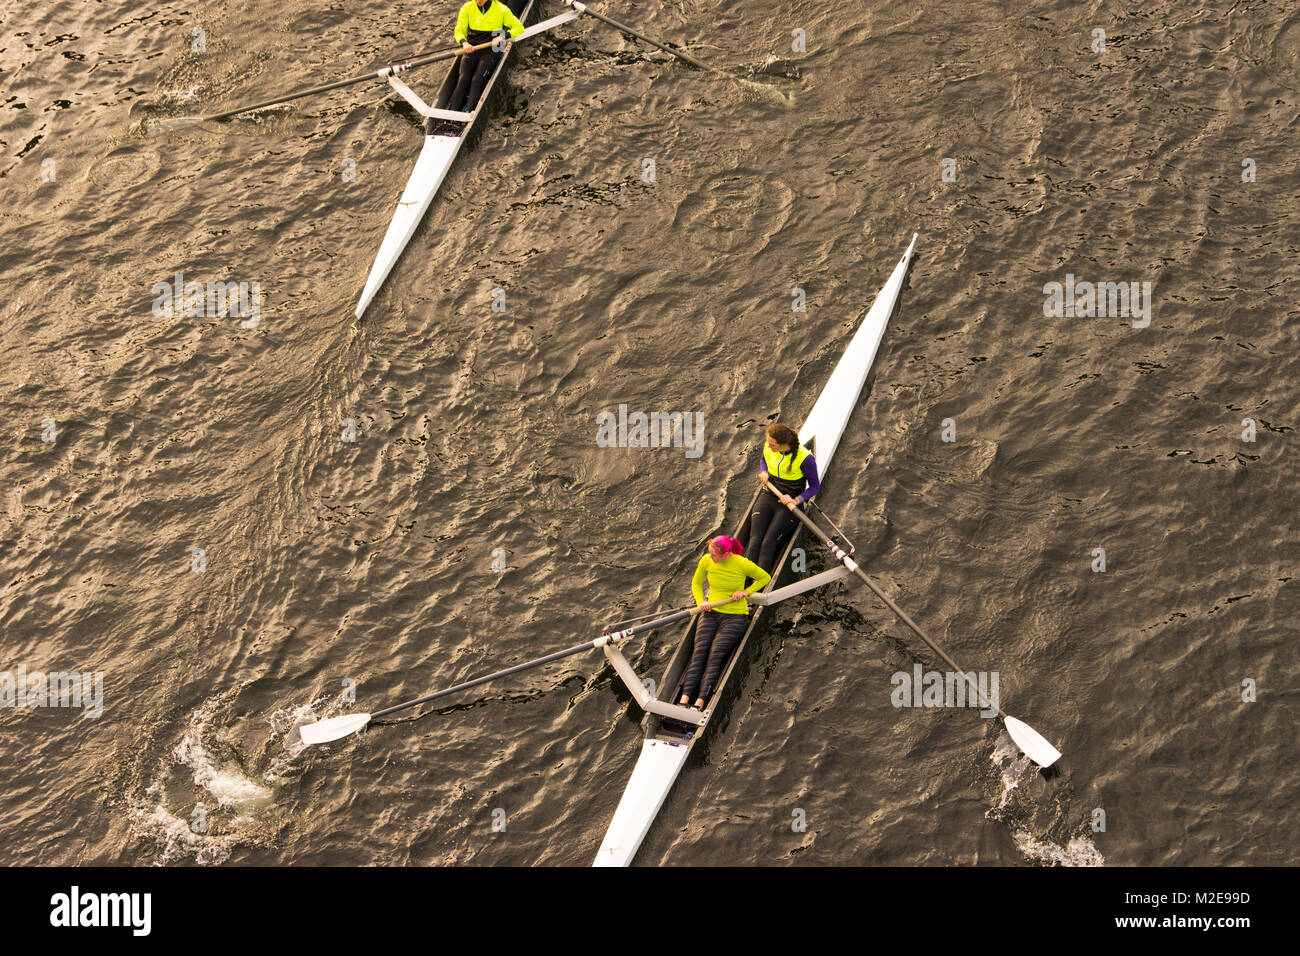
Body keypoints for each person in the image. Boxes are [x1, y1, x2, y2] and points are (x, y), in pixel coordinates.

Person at [678, 536, 771, 709]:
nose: (710, 557)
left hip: (735, 616)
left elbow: (765, 578)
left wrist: (745, 592)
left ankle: (700, 703)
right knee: (699, 652)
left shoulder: (741, 563)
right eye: (710, 553)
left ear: (725, 553)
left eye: (714, 554)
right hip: (711, 612)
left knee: (715, 655)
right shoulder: (706, 560)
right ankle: (683, 699)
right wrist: (701, 603)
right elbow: (697, 584)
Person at [749, 423, 820, 572]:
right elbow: (763, 460)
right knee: (754, 542)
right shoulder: (769, 447)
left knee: (768, 543)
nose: (768, 447)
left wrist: (796, 500)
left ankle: (758, 587)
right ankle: (742, 585)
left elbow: (814, 487)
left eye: (772, 444)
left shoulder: (806, 459)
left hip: (789, 504)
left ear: (783, 445)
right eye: (768, 442)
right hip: (769, 495)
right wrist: (764, 472)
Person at [448, 0, 525, 113]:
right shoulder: (467, 8)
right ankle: (450, 115)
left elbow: (519, 28)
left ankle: (468, 113)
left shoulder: (501, 9)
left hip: (492, 50)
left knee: (477, 80)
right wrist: (464, 42)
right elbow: (459, 30)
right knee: (463, 79)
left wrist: (502, 36)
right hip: (472, 47)